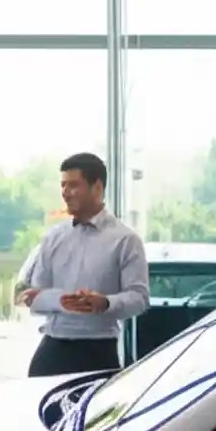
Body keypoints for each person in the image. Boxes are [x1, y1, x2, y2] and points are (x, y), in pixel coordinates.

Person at [18, 153, 150, 376]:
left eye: (73, 185)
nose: (65, 193)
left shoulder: (125, 240)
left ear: (97, 187)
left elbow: (139, 298)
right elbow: (34, 298)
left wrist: (105, 303)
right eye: (63, 185)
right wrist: (63, 301)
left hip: (98, 350)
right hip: (52, 347)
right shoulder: (53, 237)